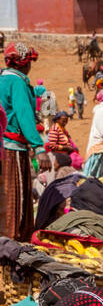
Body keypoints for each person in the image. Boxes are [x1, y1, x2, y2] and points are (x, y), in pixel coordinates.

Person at [0, 41, 43, 241]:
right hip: (13, 148)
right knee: (15, 200)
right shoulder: (17, 82)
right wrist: (38, 146)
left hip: (5, 146)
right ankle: (13, 242)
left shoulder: (3, 79)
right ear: (24, 63)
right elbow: (24, 114)